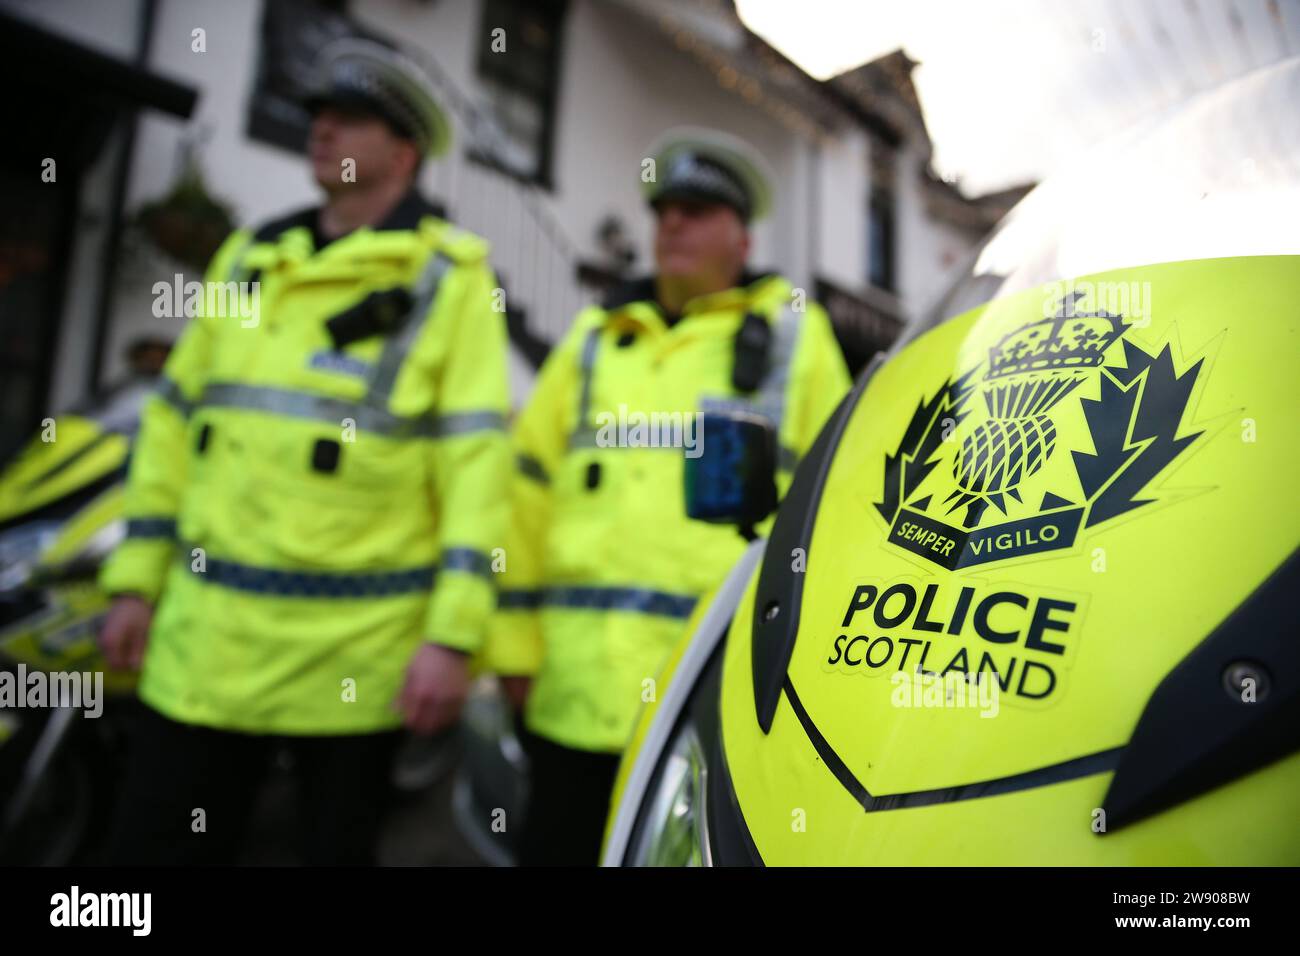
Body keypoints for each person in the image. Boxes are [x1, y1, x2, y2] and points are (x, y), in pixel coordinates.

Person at [98, 38, 511, 865]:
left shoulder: (452, 279)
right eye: (318, 115)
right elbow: (174, 423)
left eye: (350, 119)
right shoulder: (251, 256)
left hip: (350, 668)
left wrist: (454, 638)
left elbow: (475, 466)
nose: (321, 131)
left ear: (403, 152)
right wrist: (134, 582)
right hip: (201, 647)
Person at [485, 127, 852, 865]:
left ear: (742, 240)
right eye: (665, 210)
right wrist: (512, 646)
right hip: (569, 701)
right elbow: (522, 495)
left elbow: (840, 506)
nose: (673, 223)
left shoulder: (796, 338)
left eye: (698, 209)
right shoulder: (593, 338)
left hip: (709, 709)